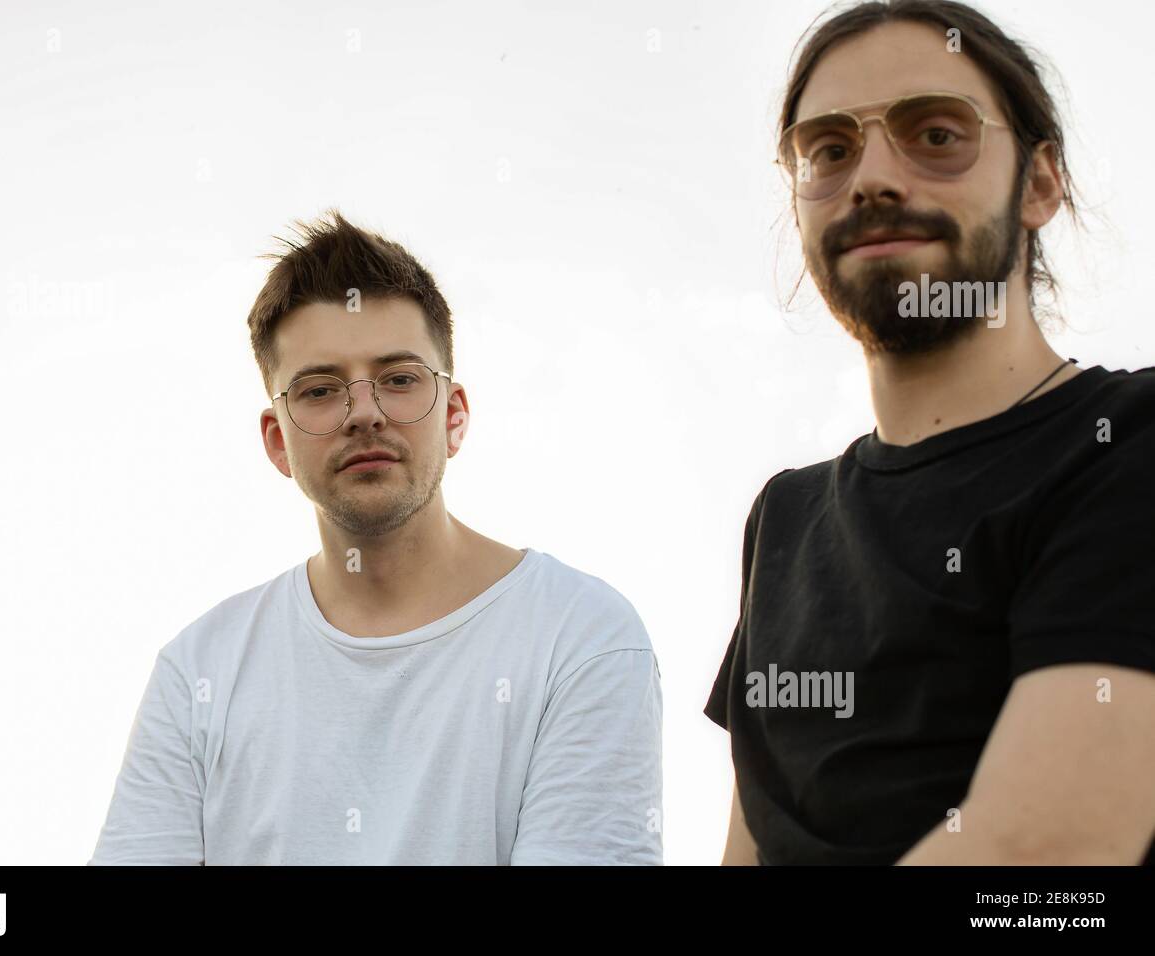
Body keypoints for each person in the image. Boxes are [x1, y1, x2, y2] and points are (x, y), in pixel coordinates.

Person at [705, 0, 1155, 864]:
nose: (872, 177)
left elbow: (1045, 862)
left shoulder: (1127, 444)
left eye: (937, 134)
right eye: (829, 150)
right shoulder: (785, 520)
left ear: (1040, 182)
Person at [90, 209, 662, 865]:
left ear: (453, 416)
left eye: (398, 378)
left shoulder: (581, 638)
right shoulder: (198, 672)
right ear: (278, 441)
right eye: (320, 389)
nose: (364, 412)